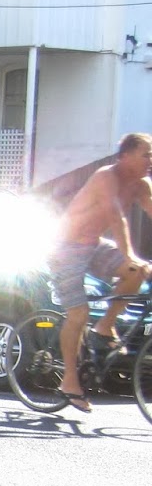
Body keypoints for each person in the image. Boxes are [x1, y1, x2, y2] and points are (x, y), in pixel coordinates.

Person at [47, 132, 152, 412]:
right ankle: (69, 381)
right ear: (125, 155)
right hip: (66, 247)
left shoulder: (142, 186)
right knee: (78, 314)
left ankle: (105, 326)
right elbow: (115, 216)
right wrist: (129, 255)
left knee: (137, 274)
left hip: (93, 245)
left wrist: (133, 263)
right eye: (146, 154)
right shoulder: (106, 177)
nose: (150, 160)